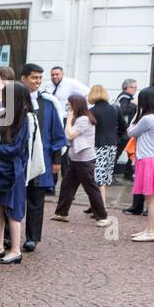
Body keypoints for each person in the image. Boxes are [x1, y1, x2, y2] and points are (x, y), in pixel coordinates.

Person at [0, 77, 33, 264]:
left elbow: (17, 148)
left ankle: (15, 250)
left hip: (13, 170)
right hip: (0, 168)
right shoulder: (3, 114)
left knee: (13, 210)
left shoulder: (25, 118)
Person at [19, 63, 67, 252]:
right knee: (13, 198)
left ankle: (32, 237)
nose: (37, 82)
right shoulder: (14, 99)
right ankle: (8, 234)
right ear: (24, 78)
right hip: (18, 158)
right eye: (34, 78)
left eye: (40, 78)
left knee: (36, 200)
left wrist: (56, 160)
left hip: (41, 159)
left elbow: (57, 132)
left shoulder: (48, 103)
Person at [52, 94, 110, 226]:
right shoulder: (81, 118)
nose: (68, 107)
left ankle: (102, 217)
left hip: (84, 160)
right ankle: (61, 213)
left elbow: (70, 134)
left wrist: (69, 119)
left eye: (69, 104)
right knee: (67, 185)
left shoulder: (83, 119)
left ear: (75, 105)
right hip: (76, 158)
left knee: (91, 188)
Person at [126, 87, 154, 241]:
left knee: (152, 198)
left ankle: (150, 232)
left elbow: (131, 132)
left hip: (149, 160)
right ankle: (149, 229)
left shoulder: (147, 119)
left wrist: (138, 112)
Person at [86, 85, 121, 202]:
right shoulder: (115, 109)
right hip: (112, 144)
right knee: (104, 177)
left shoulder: (91, 111)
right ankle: (94, 205)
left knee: (97, 179)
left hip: (98, 146)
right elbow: (123, 127)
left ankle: (101, 206)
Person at [116, 80, 138, 183]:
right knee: (117, 153)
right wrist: (133, 106)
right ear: (127, 88)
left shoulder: (126, 98)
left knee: (130, 152)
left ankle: (128, 173)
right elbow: (123, 111)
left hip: (126, 131)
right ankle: (111, 176)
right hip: (124, 132)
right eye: (134, 87)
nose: (135, 89)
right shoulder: (124, 98)